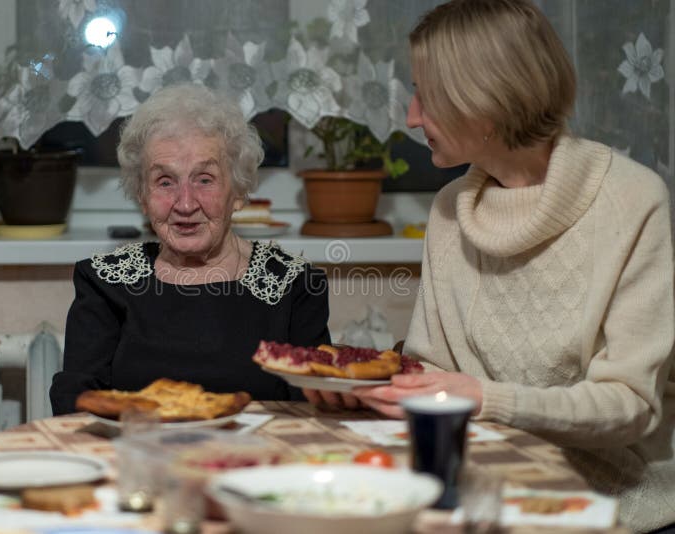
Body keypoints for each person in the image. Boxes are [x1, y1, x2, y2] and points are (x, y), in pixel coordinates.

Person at [312, 1, 675, 531]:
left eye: (425, 95)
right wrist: (361, 385)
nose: (412, 117)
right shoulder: (449, 208)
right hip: (482, 489)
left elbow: (632, 405)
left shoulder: (632, 199)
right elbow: (435, 373)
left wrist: (488, 399)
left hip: (611, 504)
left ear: (482, 99)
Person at [50, 84, 330, 415]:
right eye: (165, 182)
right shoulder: (104, 283)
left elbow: (313, 407)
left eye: (204, 180)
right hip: (141, 457)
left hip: (251, 460)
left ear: (238, 191)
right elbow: (75, 399)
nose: (185, 204)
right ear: (142, 196)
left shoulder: (293, 285)